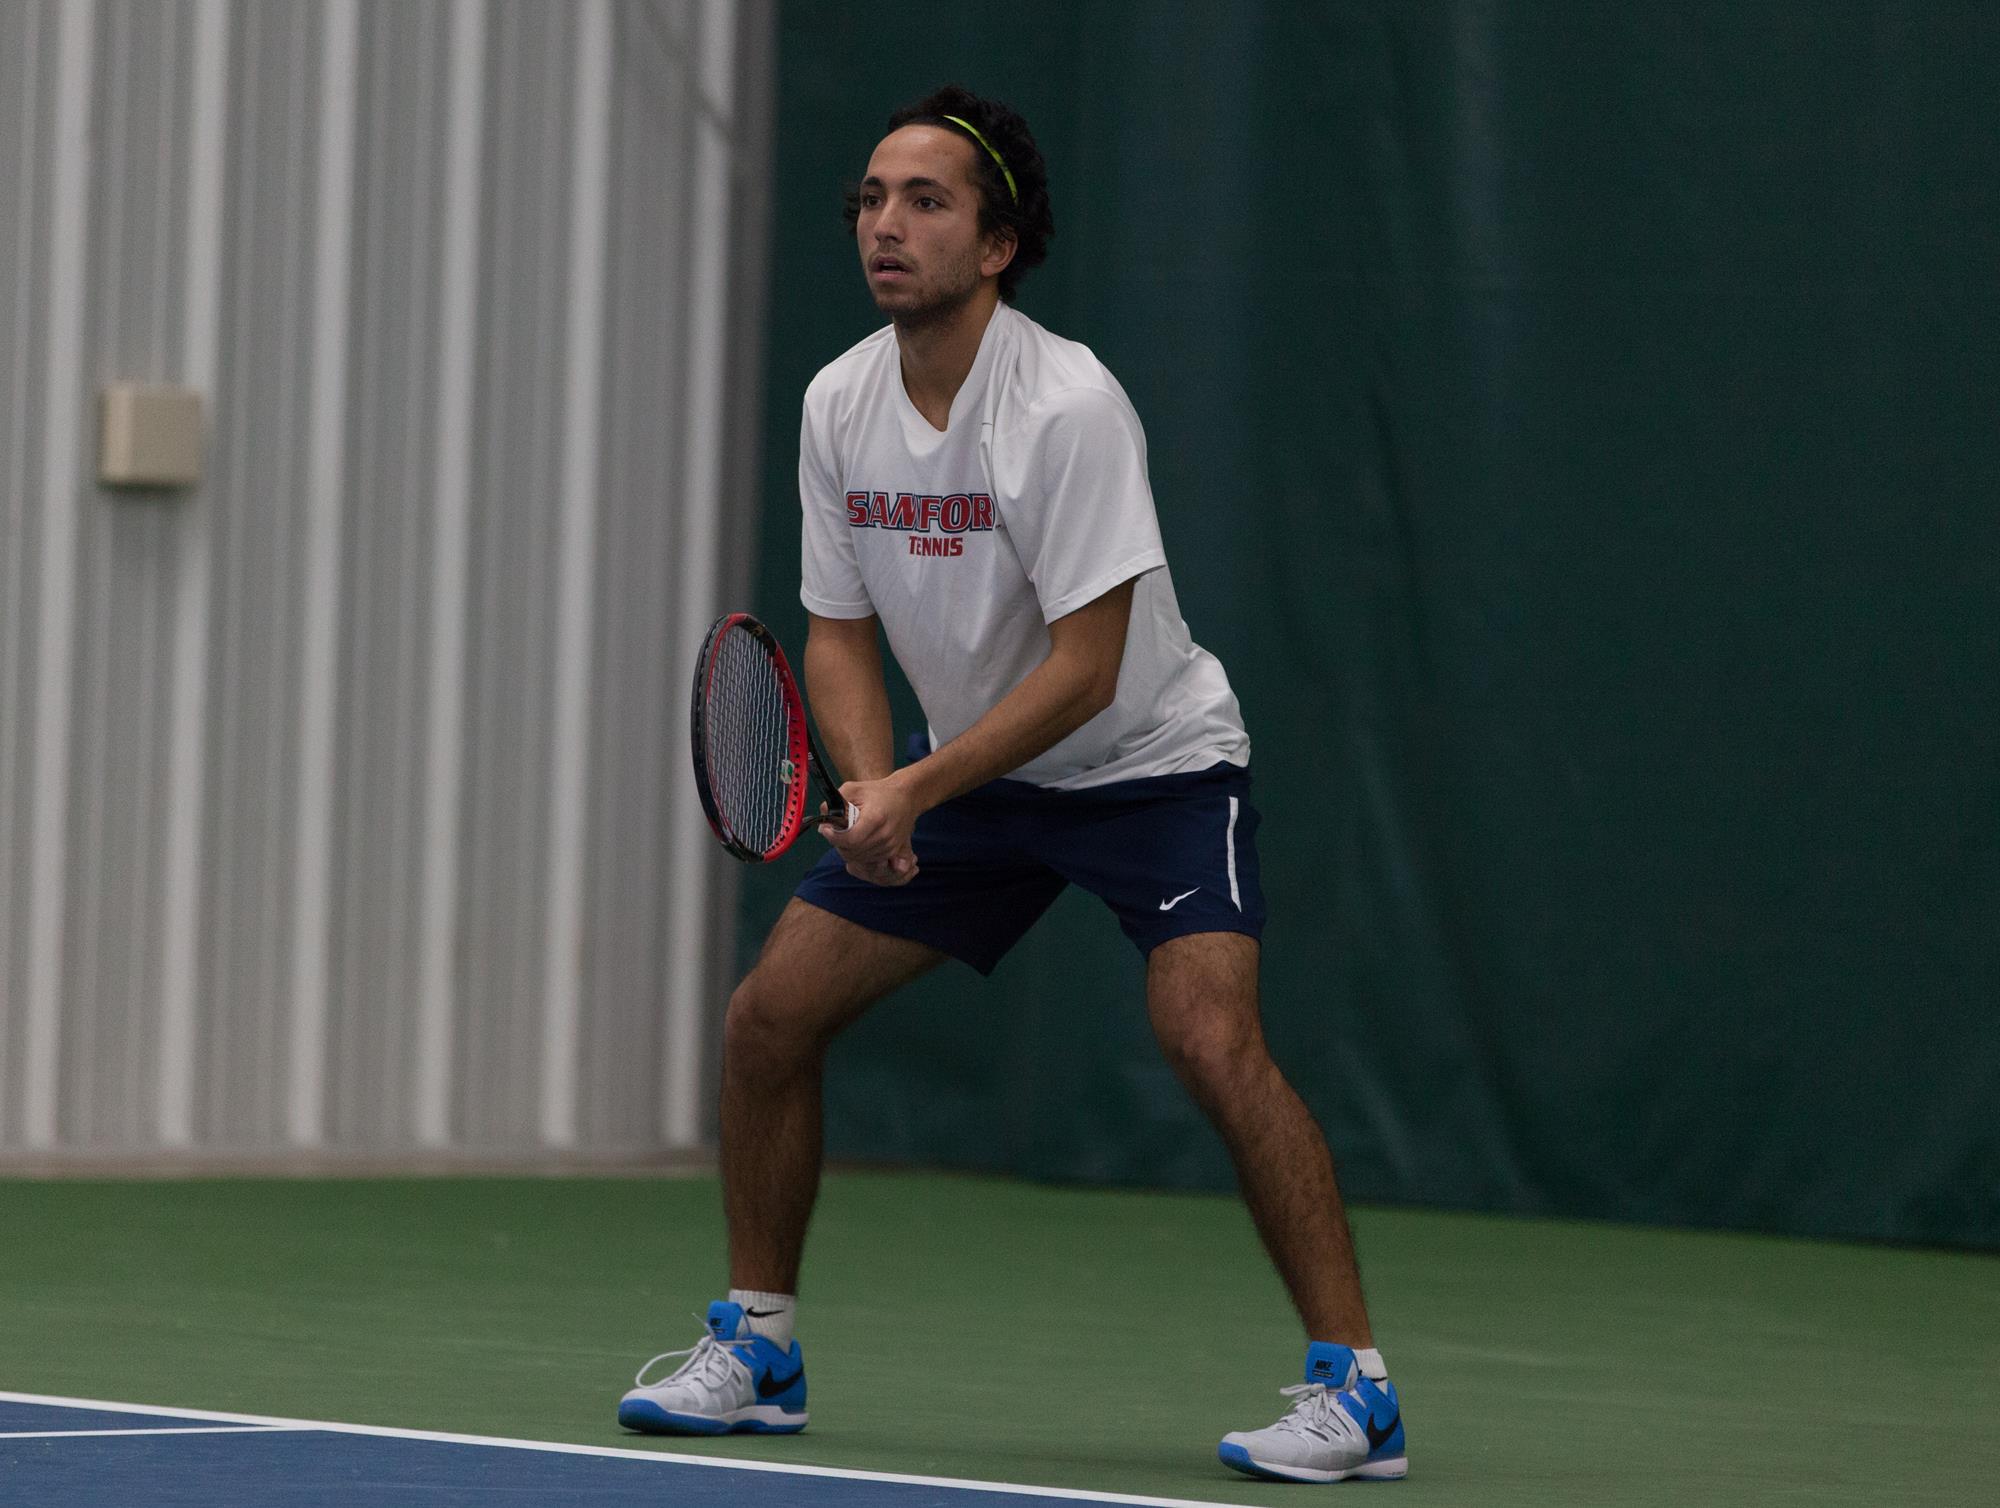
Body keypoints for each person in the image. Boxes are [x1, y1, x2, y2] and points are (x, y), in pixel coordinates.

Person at [618, 85, 1406, 1486]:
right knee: (767, 1021)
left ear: (997, 246)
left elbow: (1092, 665)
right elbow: (839, 632)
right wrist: (870, 785)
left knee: (1212, 1042)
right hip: (969, 777)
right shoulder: (838, 403)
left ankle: (1357, 1388)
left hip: (1145, 765)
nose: (886, 224)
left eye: (925, 201)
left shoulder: (1067, 404)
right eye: (870, 198)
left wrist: (917, 781)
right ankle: (759, 1347)